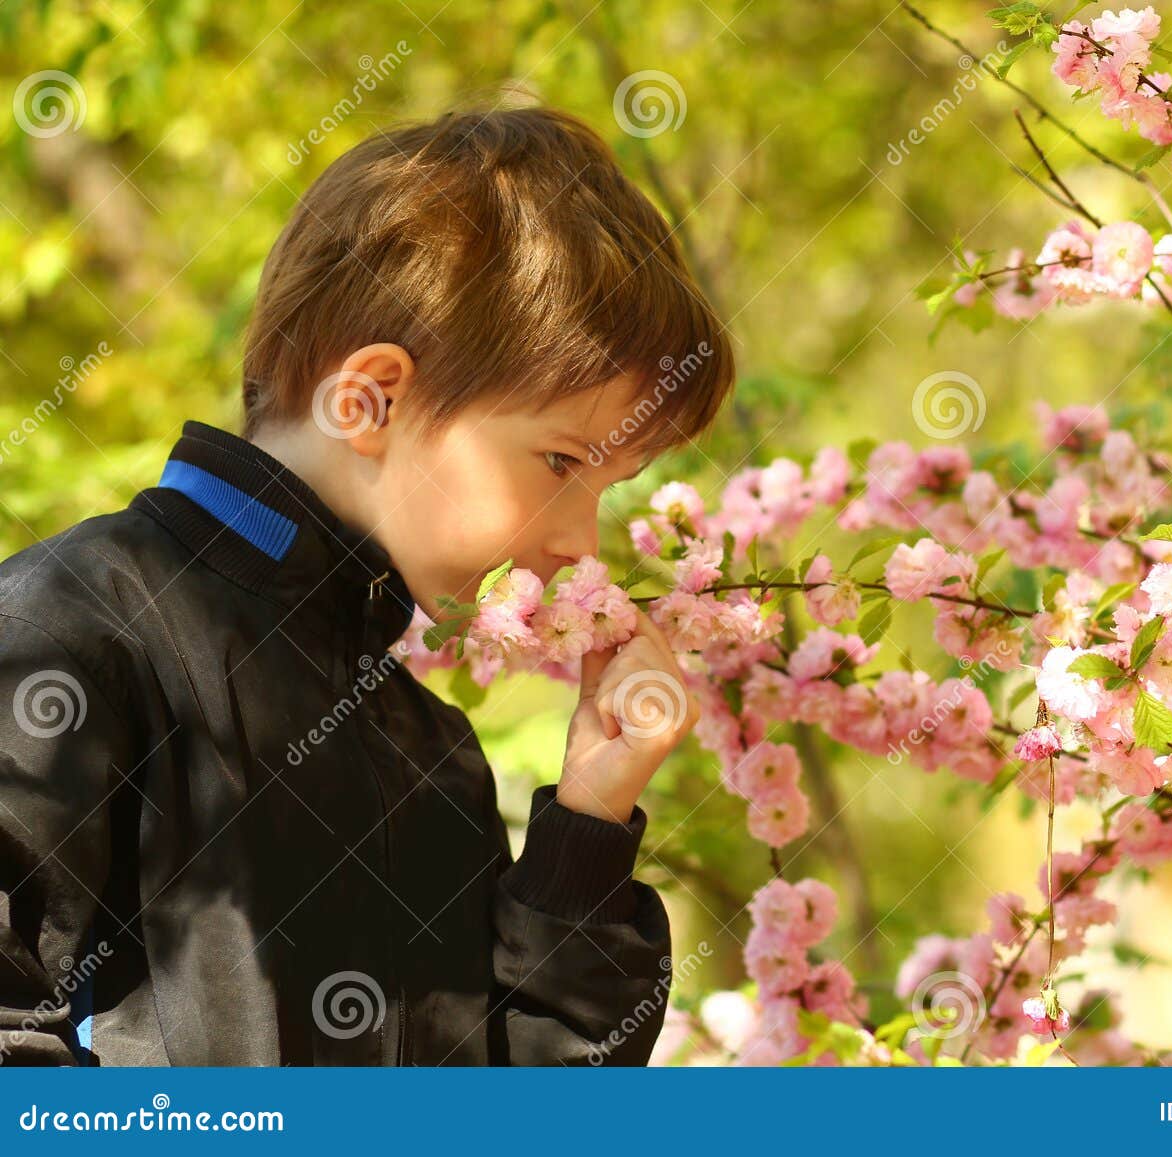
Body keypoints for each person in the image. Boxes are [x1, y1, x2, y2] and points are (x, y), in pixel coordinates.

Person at [0, 105, 732, 1065]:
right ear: (372, 398)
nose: (580, 545)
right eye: (561, 462)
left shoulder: (435, 755)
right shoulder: (67, 632)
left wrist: (585, 838)